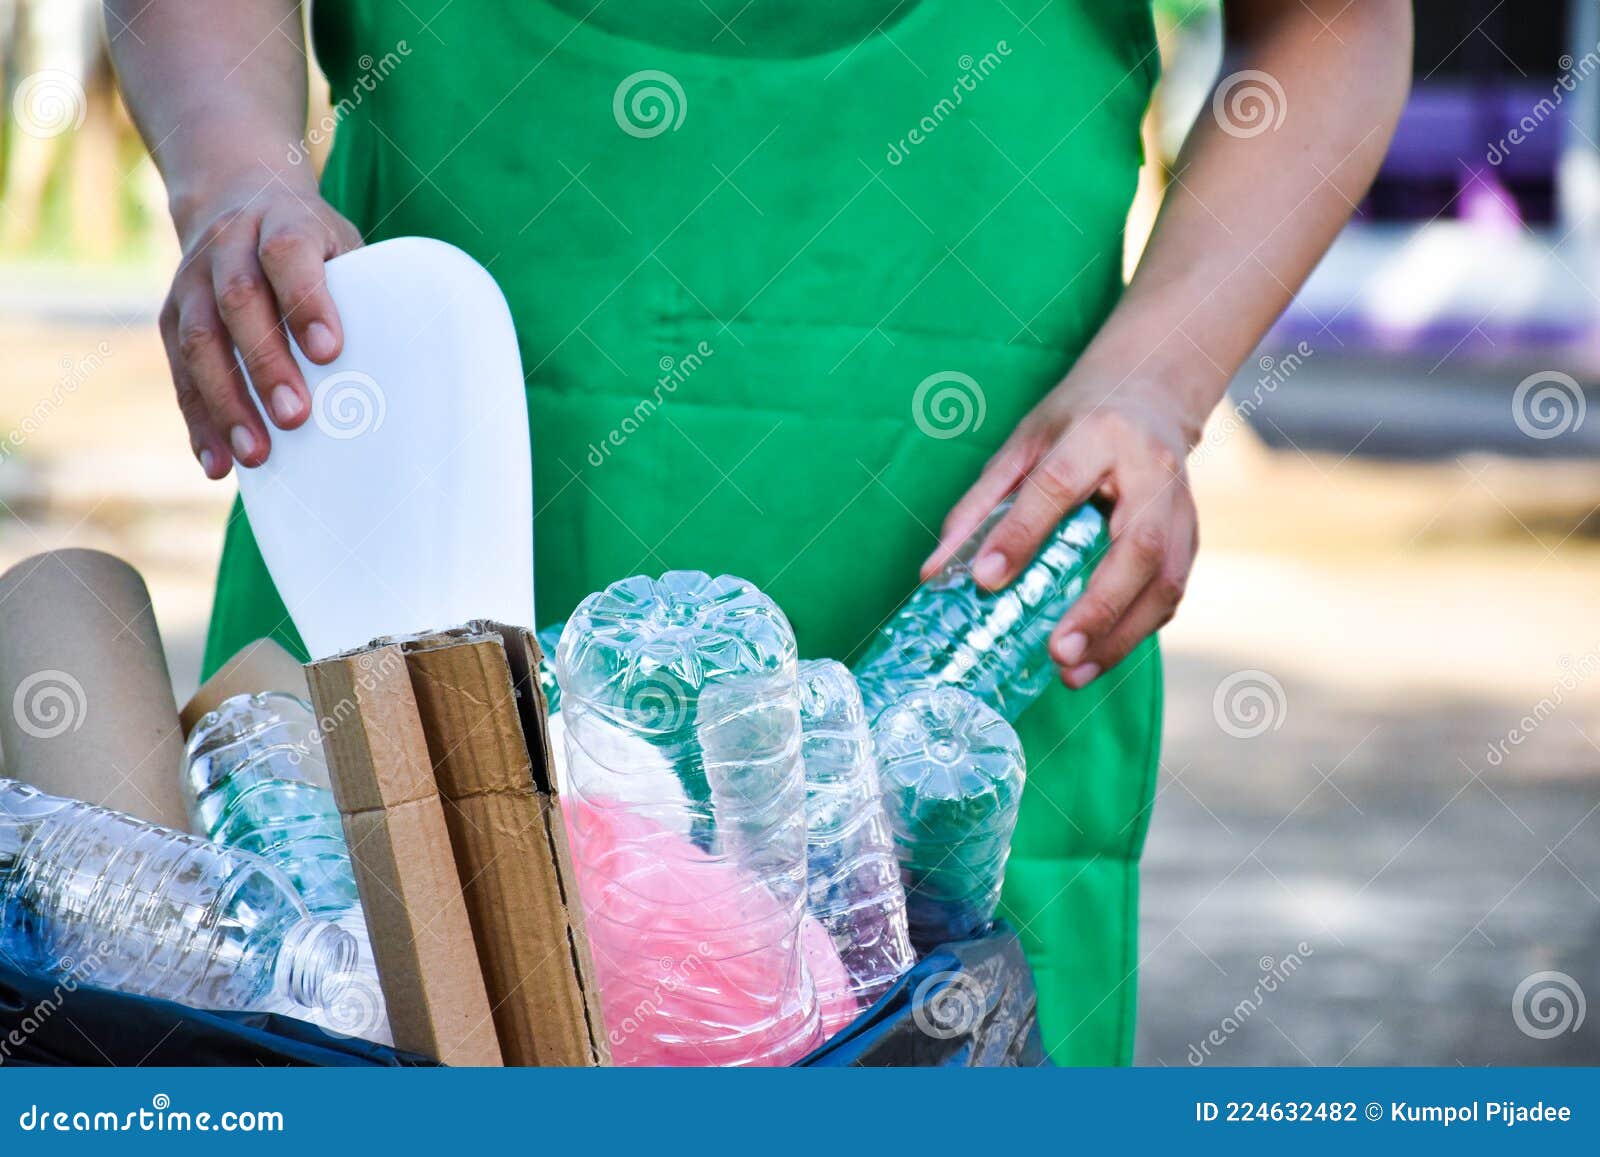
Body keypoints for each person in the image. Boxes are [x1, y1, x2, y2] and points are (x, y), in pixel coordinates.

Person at [107, 0, 1411, 1063]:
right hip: (397, 563)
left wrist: (1158, 382)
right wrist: (232, 176)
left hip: (972, 589)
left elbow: (1335, 21)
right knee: (375, 1023)